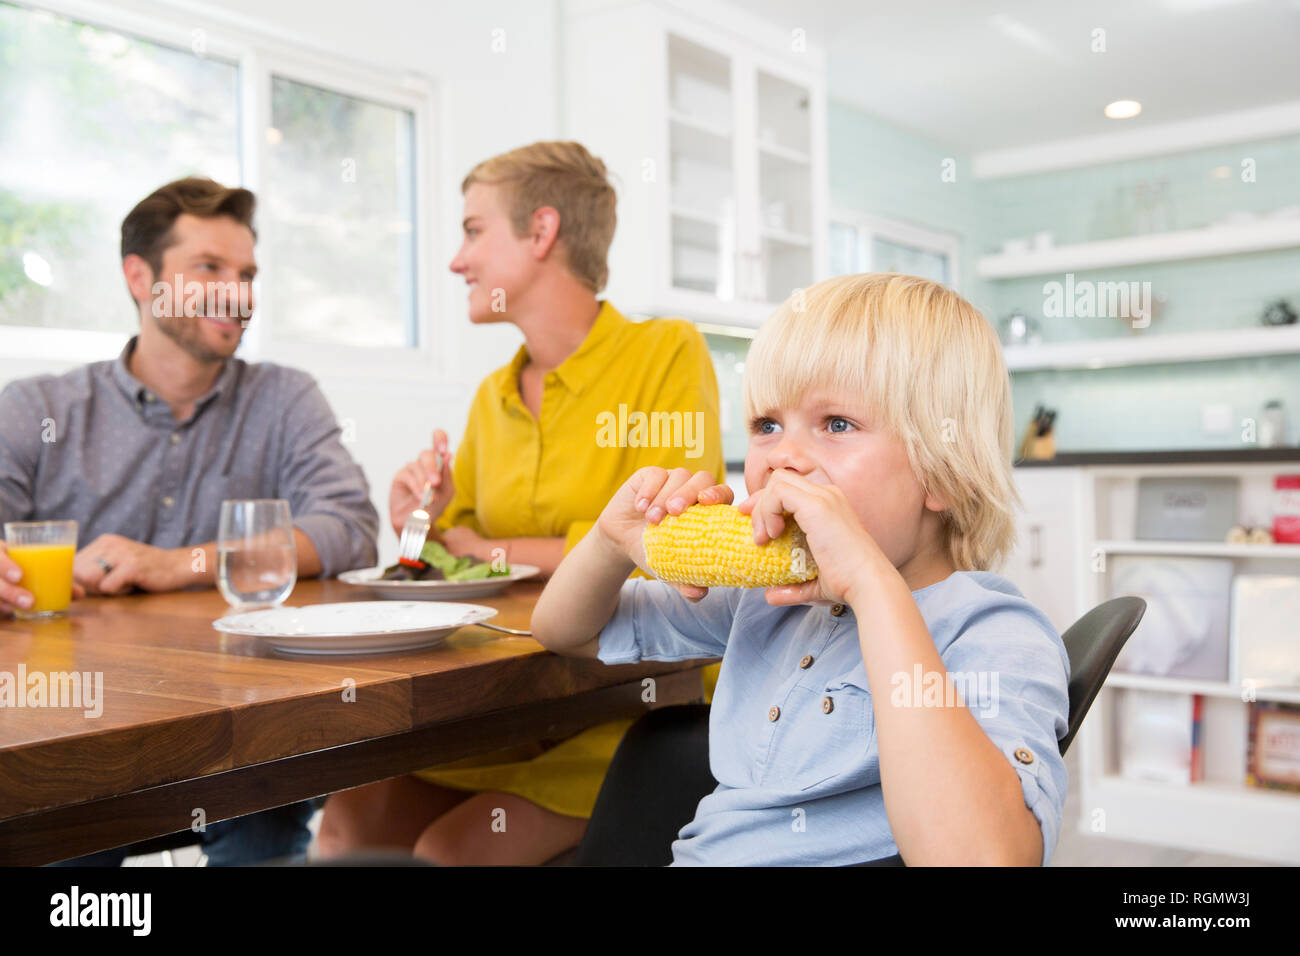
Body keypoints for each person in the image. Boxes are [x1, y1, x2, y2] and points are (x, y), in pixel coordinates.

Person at [531, 272, 1071, 865]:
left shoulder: (994, 634)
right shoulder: (768, 602)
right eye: (767, 426)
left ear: (943, 473)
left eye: (837, 424)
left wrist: (871, 586)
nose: (781, 457)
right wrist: (611, 544)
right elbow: (567, 632)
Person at [317, 141, 725, 865]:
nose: (456, 260)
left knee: (454, 849)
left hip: (633, 707)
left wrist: (483, 547)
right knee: (348, 821)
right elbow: (441, 557)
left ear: (542, 232)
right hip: (509, 705)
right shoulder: (492, 396)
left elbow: (671, 545)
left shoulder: (666, 352)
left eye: (474, 231)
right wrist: (424, 518)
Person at [0, 177, 380, 864]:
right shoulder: (36, 409)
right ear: (139, 277)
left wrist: (180, 562)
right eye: (209, 267)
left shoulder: (285, 399)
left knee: (269, 811)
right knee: (54, 837)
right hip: (72, 730)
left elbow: (348, 526)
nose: (239, 293)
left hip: (245, 732)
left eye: (248, 274)